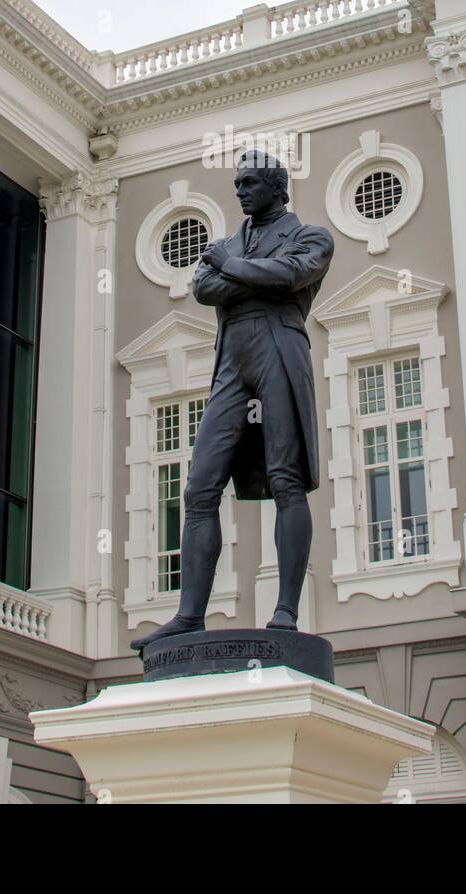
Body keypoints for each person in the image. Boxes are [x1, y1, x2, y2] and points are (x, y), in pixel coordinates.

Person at [132, 150, 334, 651]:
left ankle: (286, 609)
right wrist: (249, 270)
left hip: (279, 349)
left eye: (248, 182)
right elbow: (205, 288)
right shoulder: (226, 244)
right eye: (237, 182)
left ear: (276, 187)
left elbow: (290, 277)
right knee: (199, 486)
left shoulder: (311, 237)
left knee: (287, 479)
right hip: (232, 361)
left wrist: (235, 269)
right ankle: (189, 614)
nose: (239, 190)